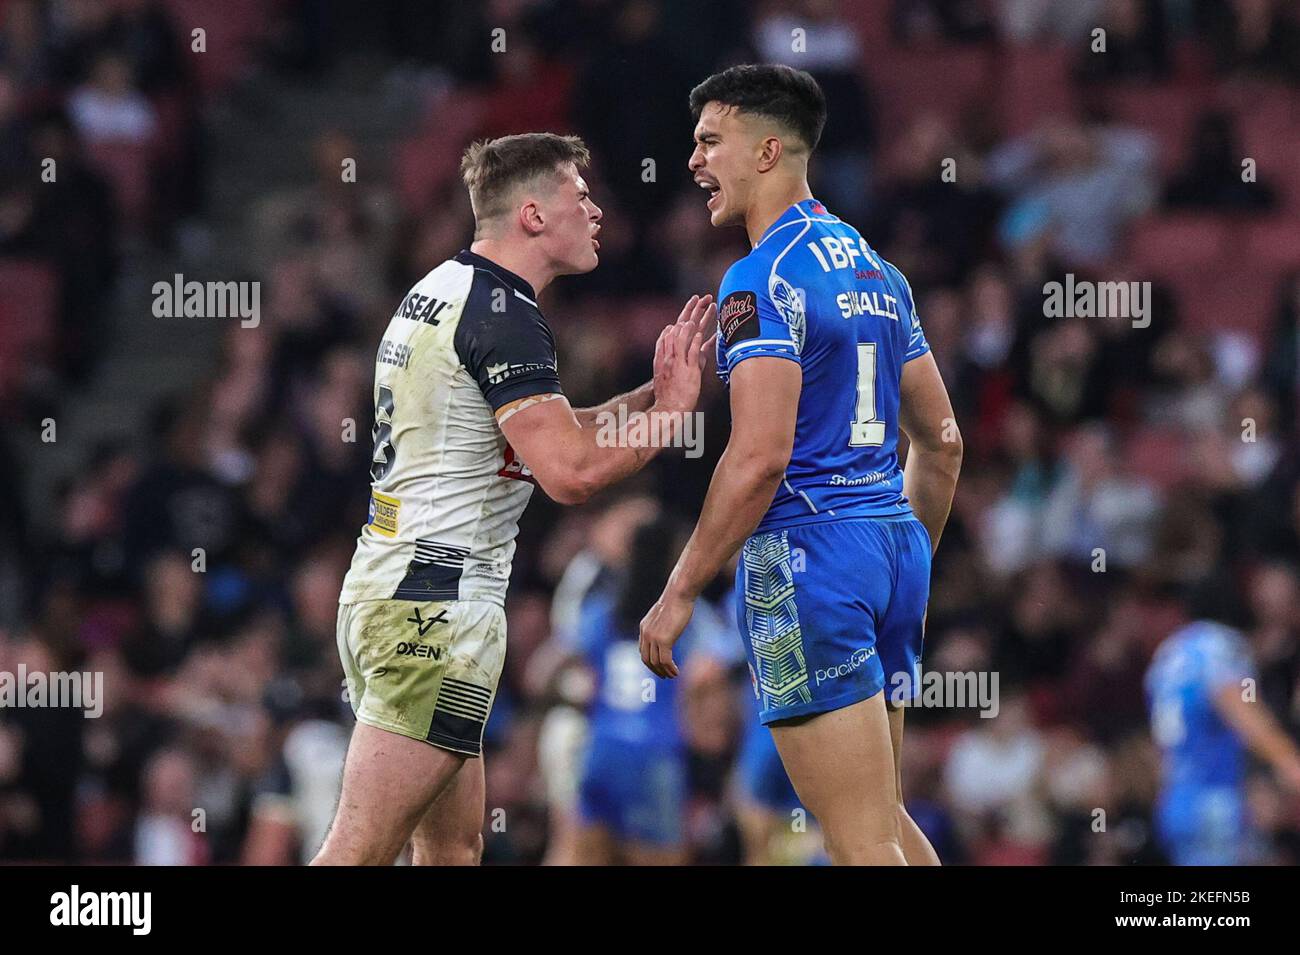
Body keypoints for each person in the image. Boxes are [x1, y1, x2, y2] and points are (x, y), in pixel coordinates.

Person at [313, 132, 715, 865]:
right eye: (580, 196)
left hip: (395, 586)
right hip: (437, 607)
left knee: (455, 847)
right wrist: (675, 416)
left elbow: (535, 435)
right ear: (532, 214)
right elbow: (568, 474)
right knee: (357, 851)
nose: (595, 211)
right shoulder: (506, 311)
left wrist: (647, 397)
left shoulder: (441, 290)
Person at [638, 65, 962, 865]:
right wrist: (902, 550)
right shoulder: (881, 276)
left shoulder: (759, 281)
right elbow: (945, 440)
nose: (694, 160)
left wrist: (678, 593)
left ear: (768, 150)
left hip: (806, 560)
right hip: (887, 547)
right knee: (881, 825)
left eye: (711, 141)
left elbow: (759, 456)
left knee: (857, 845)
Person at [1145, 618, 1300, 865]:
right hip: (1213, 805)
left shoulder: (1171, 652)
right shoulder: (1217, 645)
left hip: (1176, 800)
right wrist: (1290, 763)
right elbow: (1244, 715)